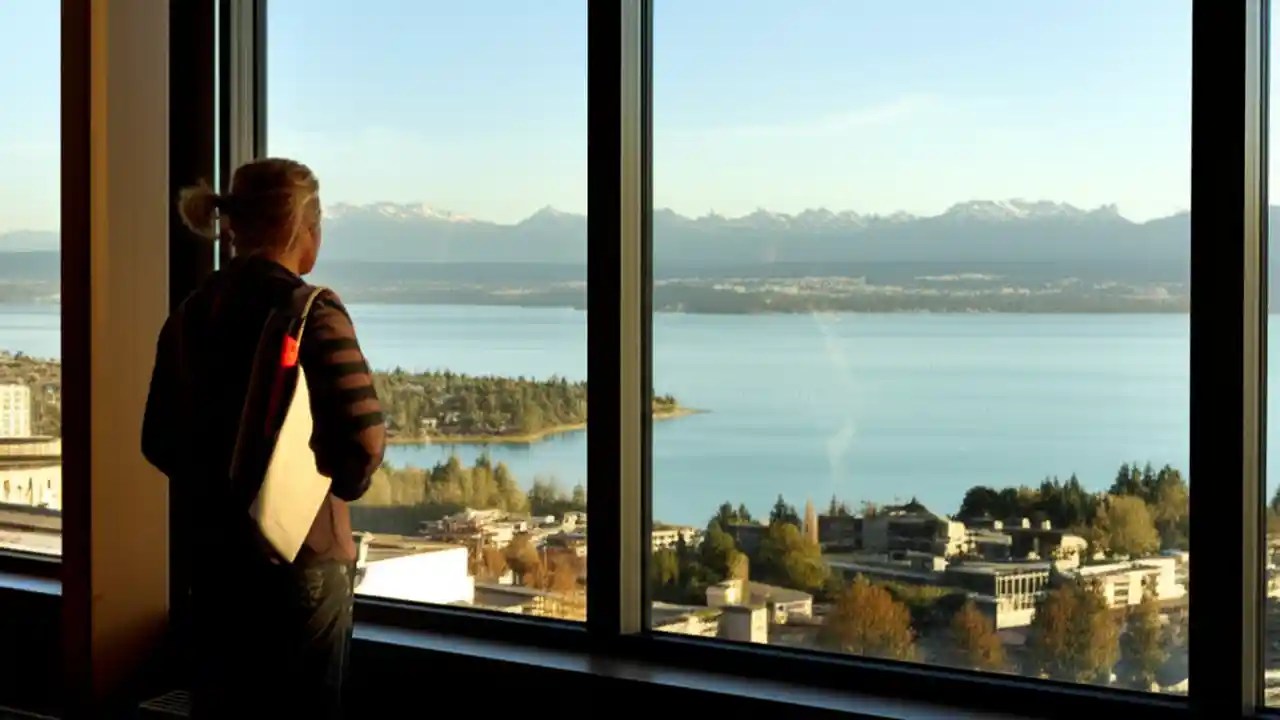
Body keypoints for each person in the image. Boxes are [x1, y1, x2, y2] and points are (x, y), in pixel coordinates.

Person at [141, 158, 385, 718]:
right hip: (301, 565)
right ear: (303, 227)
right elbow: (364, 439)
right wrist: (335, 486)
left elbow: (157, 439)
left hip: (213, 566)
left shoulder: (193, 312)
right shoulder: (310, 310)